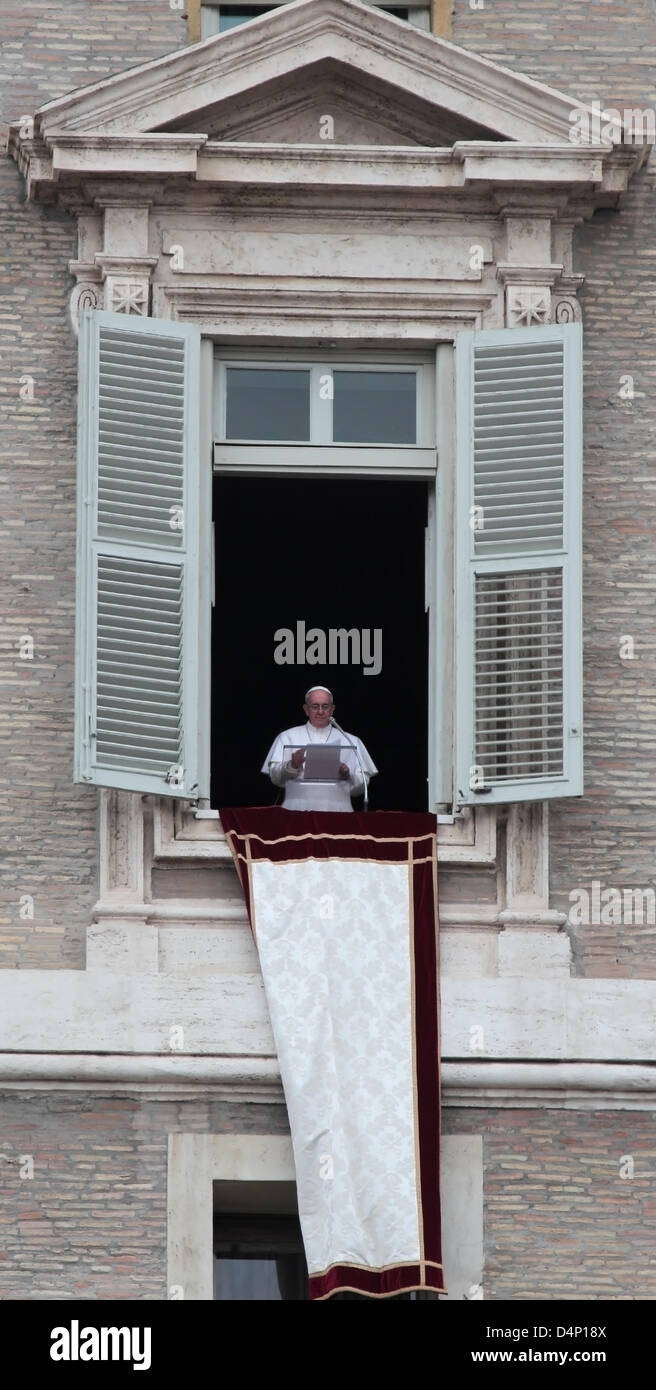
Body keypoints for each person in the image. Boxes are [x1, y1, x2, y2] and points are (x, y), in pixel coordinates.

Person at [262, 686, 377, 812]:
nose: (320, 711)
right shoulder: (287, 737)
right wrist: (292, 765)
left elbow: (362, 786)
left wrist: (348, 775)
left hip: (339, 812)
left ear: (332, 710)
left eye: (325, 706)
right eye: (315, 706)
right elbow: (275, 778)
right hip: (296, 811)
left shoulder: (351, 741)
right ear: (306, 709)